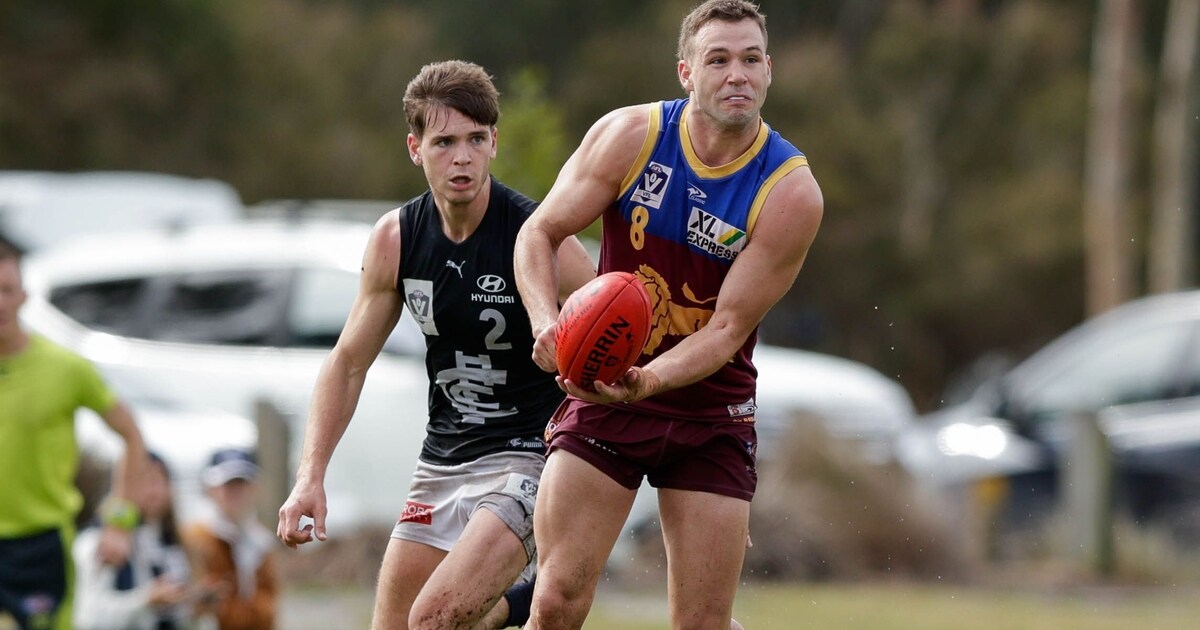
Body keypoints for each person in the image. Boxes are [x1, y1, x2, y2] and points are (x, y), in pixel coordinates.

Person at [512, 1, 824, 628]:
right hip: (603, 389)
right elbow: (538, 232)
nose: (737, 74)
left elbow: (728, 329)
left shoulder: (790, 192)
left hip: (710, 410)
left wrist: (648, 380)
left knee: (702, 624)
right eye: (719, 59)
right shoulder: (632, 136)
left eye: (751, 59)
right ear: (686, 72)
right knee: (554, 603)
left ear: (769, 72)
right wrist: (549, 322)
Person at [275, 60, 595, 630]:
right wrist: (309, 476)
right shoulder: (397, 239)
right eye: (444, 141)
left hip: (528, 457)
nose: (463, 157)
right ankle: (514, 610)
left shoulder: (539, 236)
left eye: (476, 139)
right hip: (442, 462)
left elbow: (617, 336)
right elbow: (347, 363)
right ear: (414, 148)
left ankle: (529, 605)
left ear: (495, 142)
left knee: (434, 620)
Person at [0, 239, 148, 630]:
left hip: (40, 547)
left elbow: (131, 434)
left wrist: (119, 521)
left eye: (6, 290)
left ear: (24, 296)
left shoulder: (65, 369)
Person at [74, 451, 218, 630]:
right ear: (120, 487)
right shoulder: (97, 543)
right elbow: (86, 618)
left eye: (159, 480)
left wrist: (197, 611)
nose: (153, 490)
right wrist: (145, 602)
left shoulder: (180, 544)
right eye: (142, 480)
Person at [185, 449, 277, 630]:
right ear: (210, 489)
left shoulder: (262, 541)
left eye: (241, 484)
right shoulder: (196, 538)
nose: (235, 492)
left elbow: (269, 609)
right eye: (227, 485)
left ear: (254, 488)